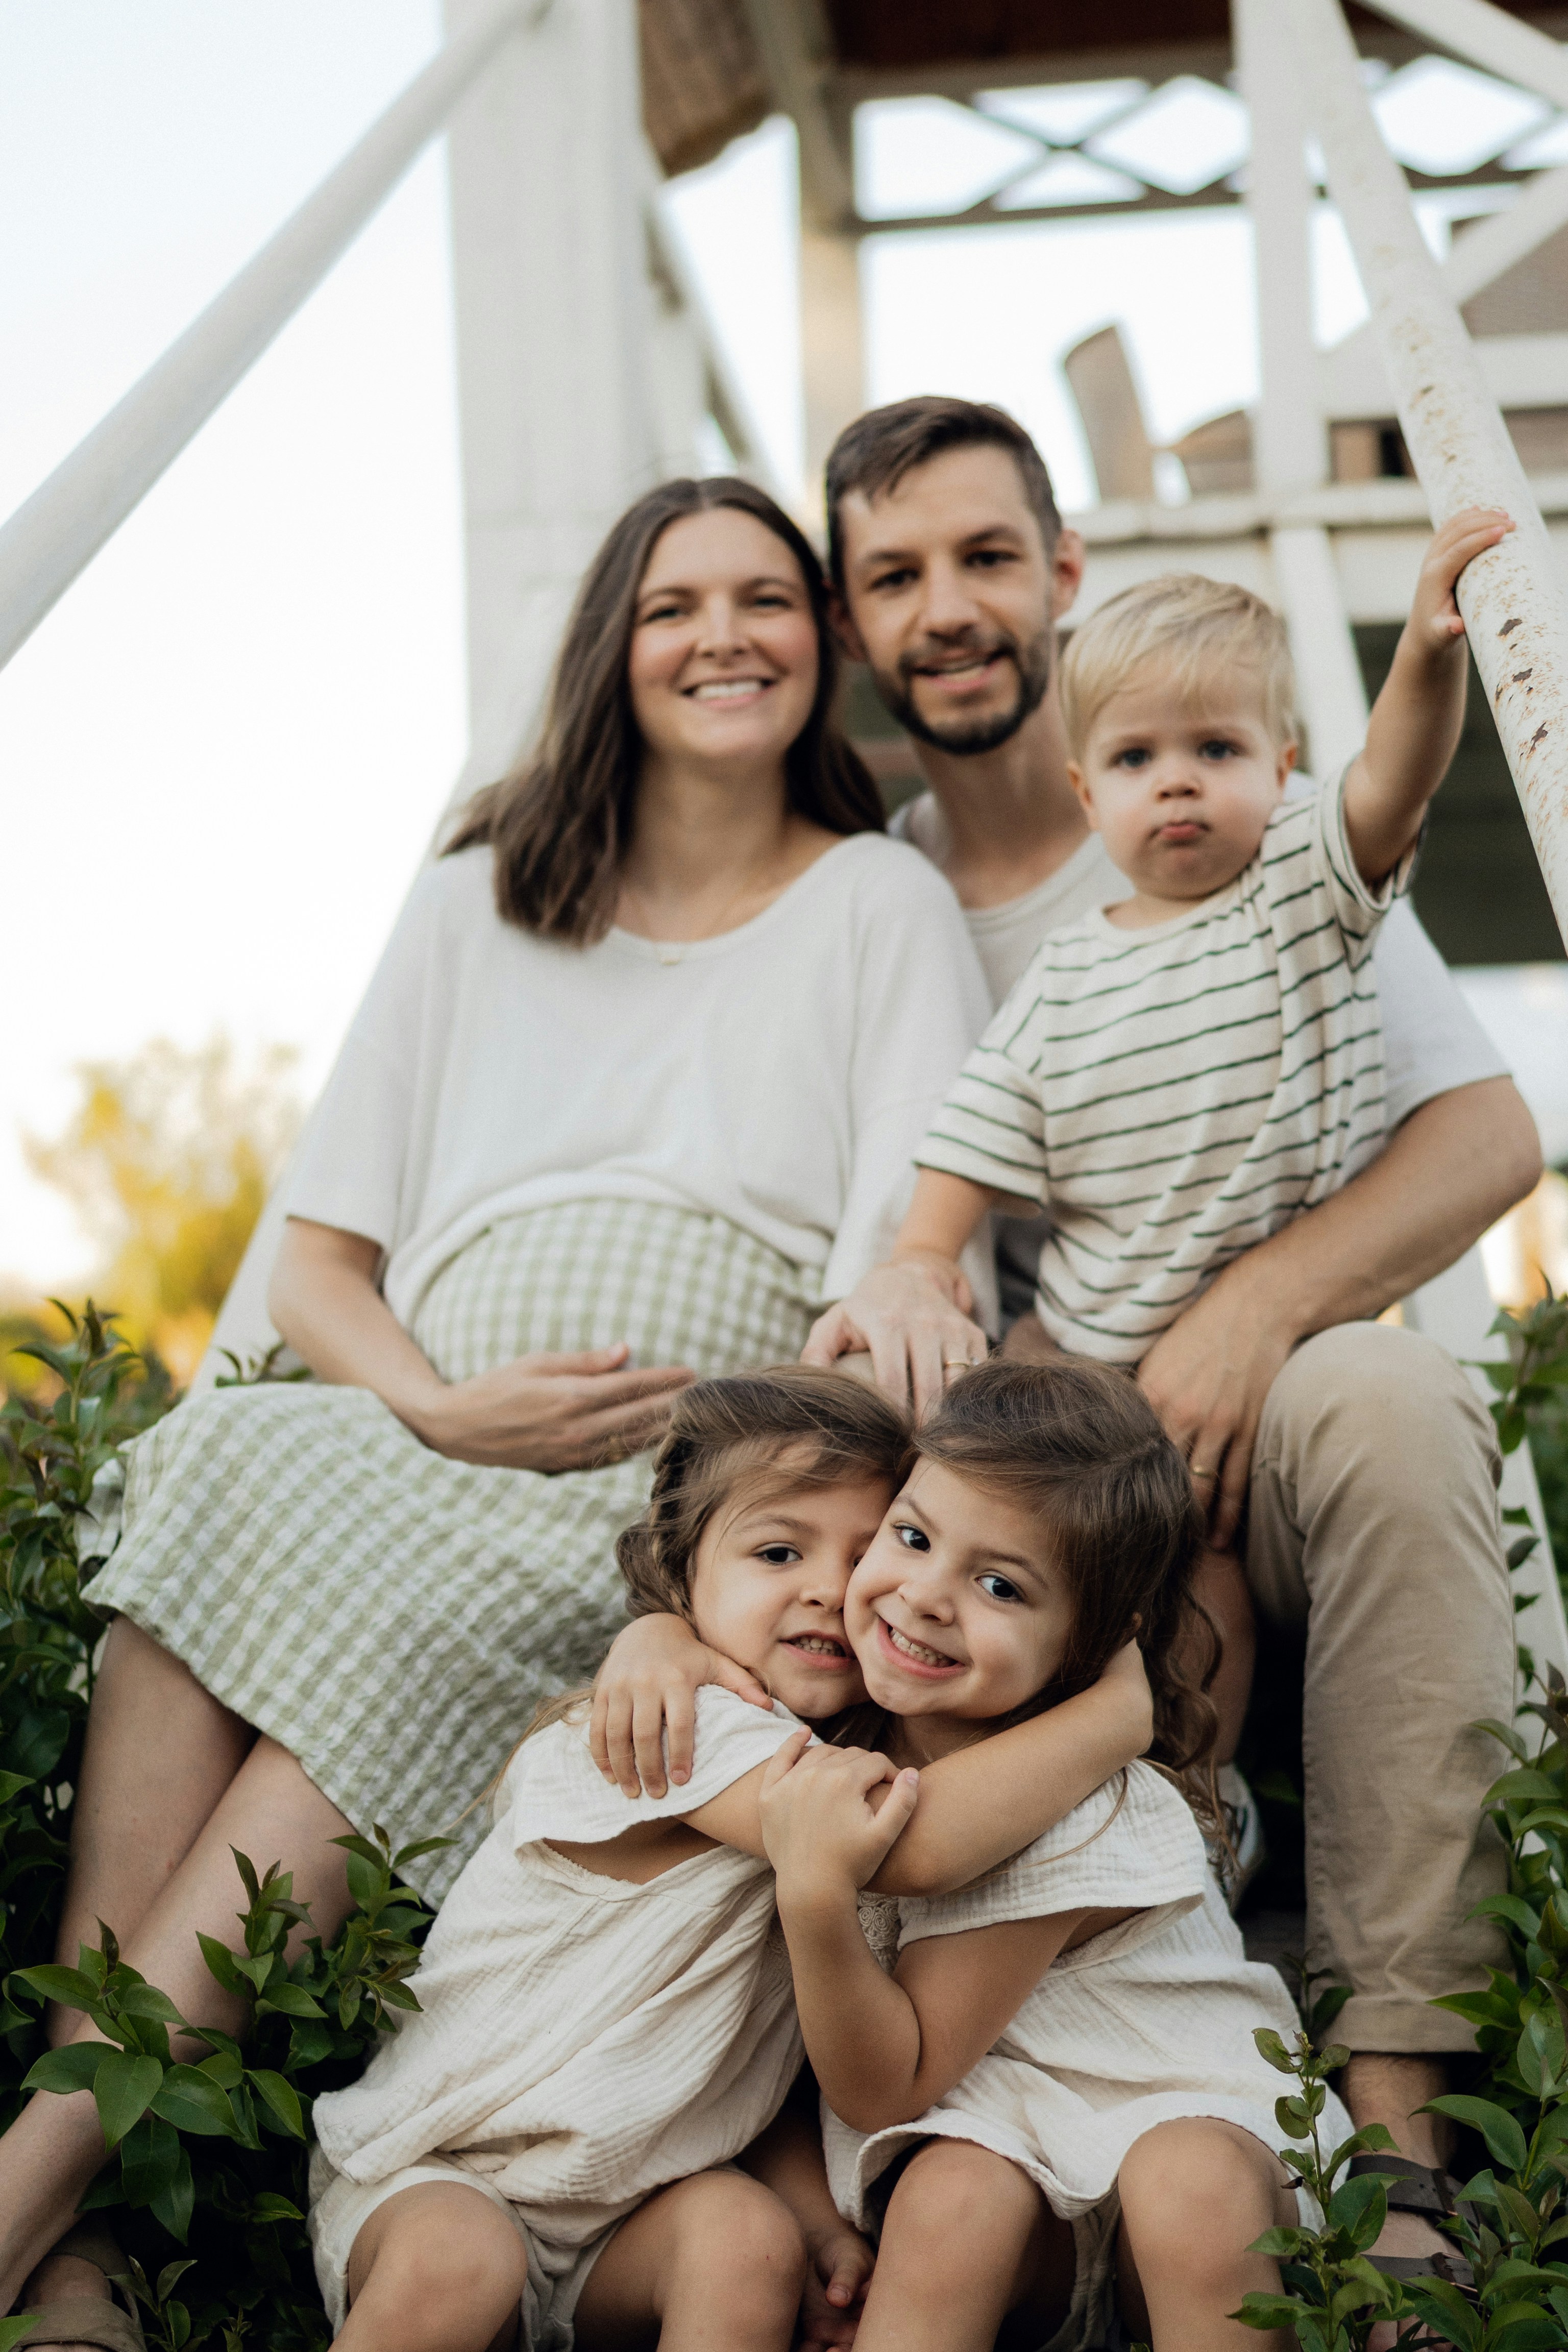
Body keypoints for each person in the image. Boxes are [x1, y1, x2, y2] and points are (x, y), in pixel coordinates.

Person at [0, 476, 998, 2345]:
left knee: (387, 1630)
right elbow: (315, 1265)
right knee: (217, 1456)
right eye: (676, 602)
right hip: (435, 1419)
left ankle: (44, 2202)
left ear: (822, 644)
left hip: (692, 1454)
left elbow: (897, 1261)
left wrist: (731, 1471)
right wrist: (440, 1409)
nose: (726, 635)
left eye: (769, 598)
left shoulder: (878, 900)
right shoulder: (479, 900)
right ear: (612, 647)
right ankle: (73, 2217)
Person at [802, 395, 1540, 2275]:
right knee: (1089, 1556)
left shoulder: (1266, 856)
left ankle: (1399, 2131)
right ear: (848, 618)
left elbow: (1487, 1131)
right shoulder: (874, 902)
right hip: (1044, 1426)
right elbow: (934, 1195)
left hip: (1260, 1391)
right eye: (893, 573)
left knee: (1372, 1386)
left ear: (1062, 574)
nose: (946, 604)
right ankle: (1075, 1990)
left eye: (986, 554)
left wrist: (1246, 1310)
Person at [306, 1369, 1155, 2352]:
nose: (830, 1590)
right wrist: (1114, 1715)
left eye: (871, 1547)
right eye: (778, 1550)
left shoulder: (833, 1761)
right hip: (439, 2176)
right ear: (683, 1573)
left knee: (748, 2243)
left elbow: (759, 2069)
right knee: (464, 2263)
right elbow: (914, 1844)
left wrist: (815, 2220)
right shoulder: (680, 1728)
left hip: (630, 2221)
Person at [883, 524, 1512, 1785]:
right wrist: (920, 1255)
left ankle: (1198, 1800)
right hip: (1086, 1361)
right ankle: (1069, 1797)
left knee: (1206, 1570)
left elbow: (1394, 780)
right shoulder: (1069, 975)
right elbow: (971, 1131)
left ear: (1283, 770)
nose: (1177, 784)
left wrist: (1429, 658)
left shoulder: (1304, 894)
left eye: (1216, 751)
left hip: (1251, 1374)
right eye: (1136, 758)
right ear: (1087, 792)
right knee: (1085, 1578)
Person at [762, 1358, 1361, 2352]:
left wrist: (815, 1895)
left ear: (1088, 1644)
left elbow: (887, 2082)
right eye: (911, 1537)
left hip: (1198, 2143)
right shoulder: (854, 1717)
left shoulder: (1080, 1810)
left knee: (1190, 2187)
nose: (926, 1596)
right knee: (952, 2193)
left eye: (1000, 1583)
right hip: (1009, 2143)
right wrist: (656, 1643)